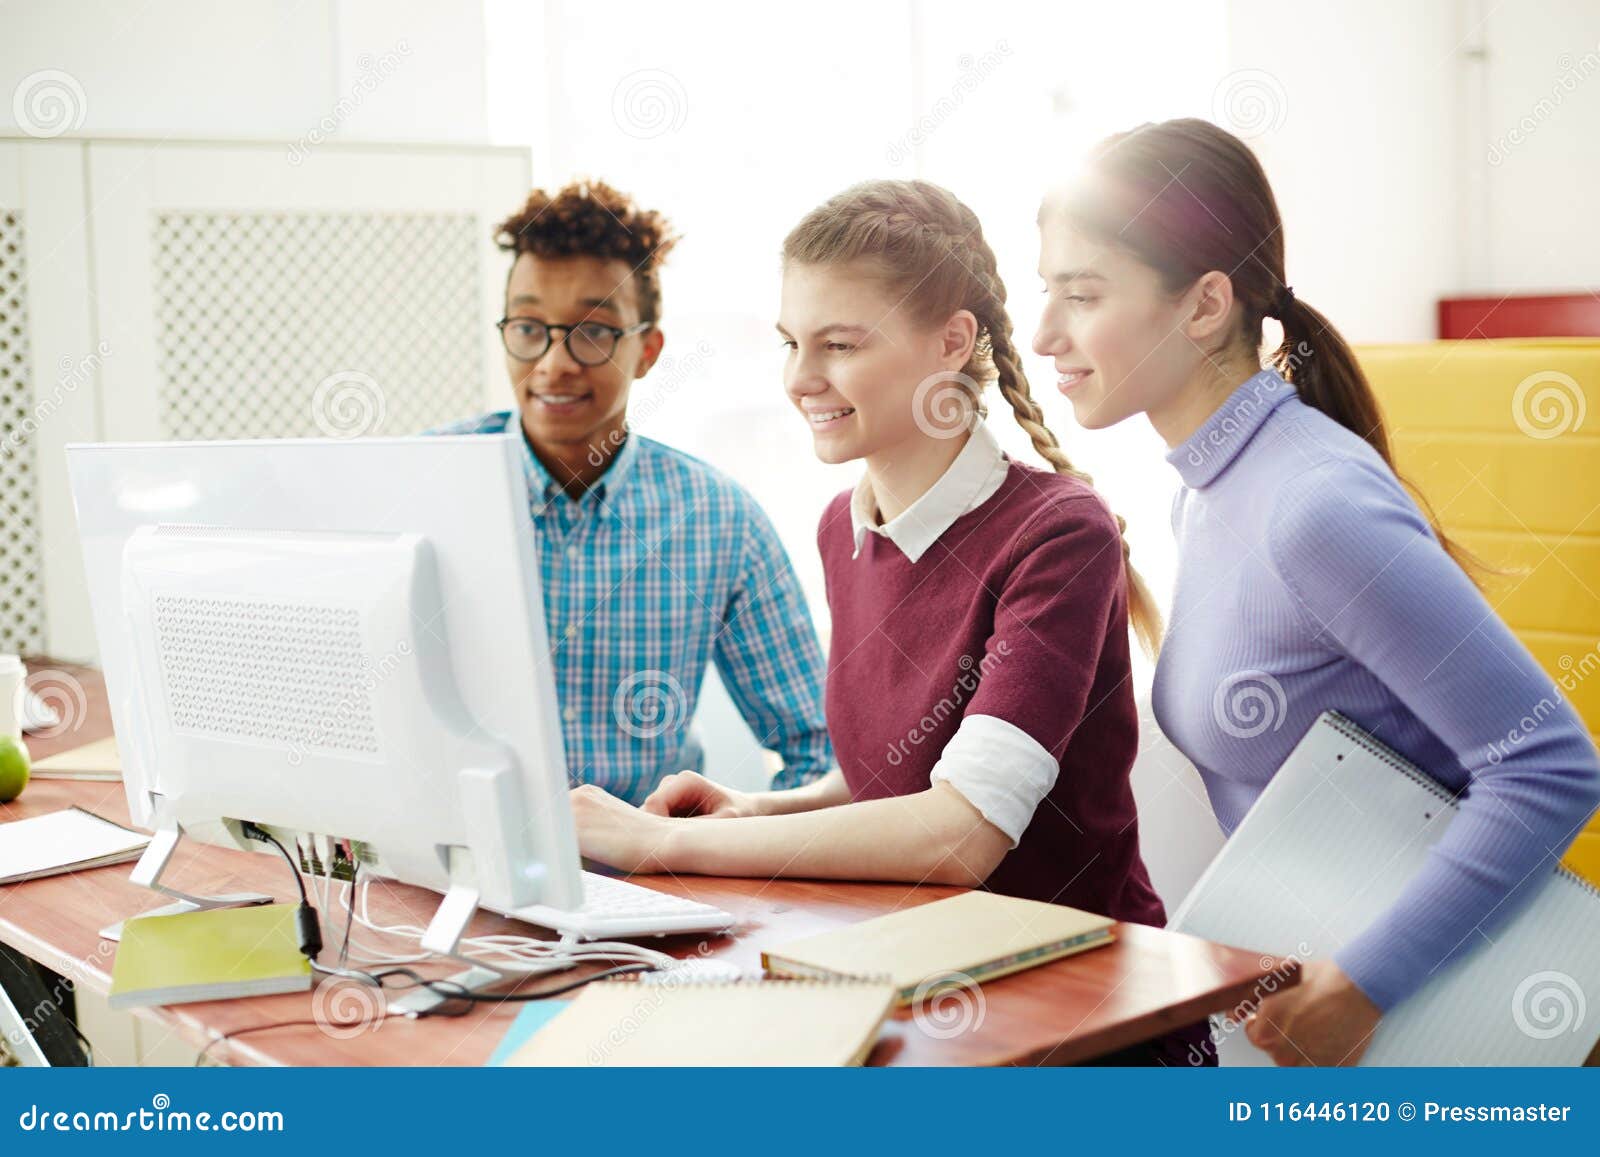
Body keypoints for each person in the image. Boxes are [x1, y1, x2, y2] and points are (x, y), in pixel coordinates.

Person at [572, 178, 1199, 1064]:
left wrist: (663, 842)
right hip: (933, 993)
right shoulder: (845, 525)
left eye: (839, 344)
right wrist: (755, 810)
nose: (800, 378)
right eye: (793, 342)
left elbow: (960, 831)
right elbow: (897, 768)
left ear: (952, 342)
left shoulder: (1057, 534)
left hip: (1087, 1025)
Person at [1033, 117, 1600, 1065]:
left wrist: (1363, 982)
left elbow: (1549, 766)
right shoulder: (1206, 491)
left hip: (1465, 1026)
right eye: (1046, 292)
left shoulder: (1312, 504)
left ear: (1206, 304)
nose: (1045, 331)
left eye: (1081, 294)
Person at [433, 178, 830, 803]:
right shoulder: (428, 484)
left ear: (647, 350)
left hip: (649, 877)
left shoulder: (716, 519)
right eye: (529, 327)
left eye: (591, 332)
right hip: (452, 872)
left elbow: (821, 751)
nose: (554, 363)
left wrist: (737, 855)